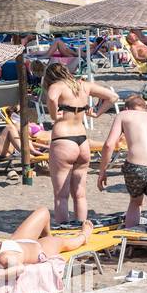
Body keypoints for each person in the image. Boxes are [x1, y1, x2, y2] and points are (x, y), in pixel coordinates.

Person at [43, 63, 117, 225]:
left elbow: (51, 97)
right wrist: (97, 112)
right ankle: (82, 227)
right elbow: (113, 97)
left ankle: (65, 229)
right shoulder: (83, 85)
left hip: (63, 140)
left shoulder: (56, 86)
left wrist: (54, 115)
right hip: (82, 141)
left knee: (61, 195)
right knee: (80, 194)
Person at [97, 95, 147, 233]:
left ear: (127, 108)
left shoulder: (124, 115)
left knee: (135, 203)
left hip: (136, 167)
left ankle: (130, 237)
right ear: (145, 108)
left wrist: (102, 171)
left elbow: (109, 145)